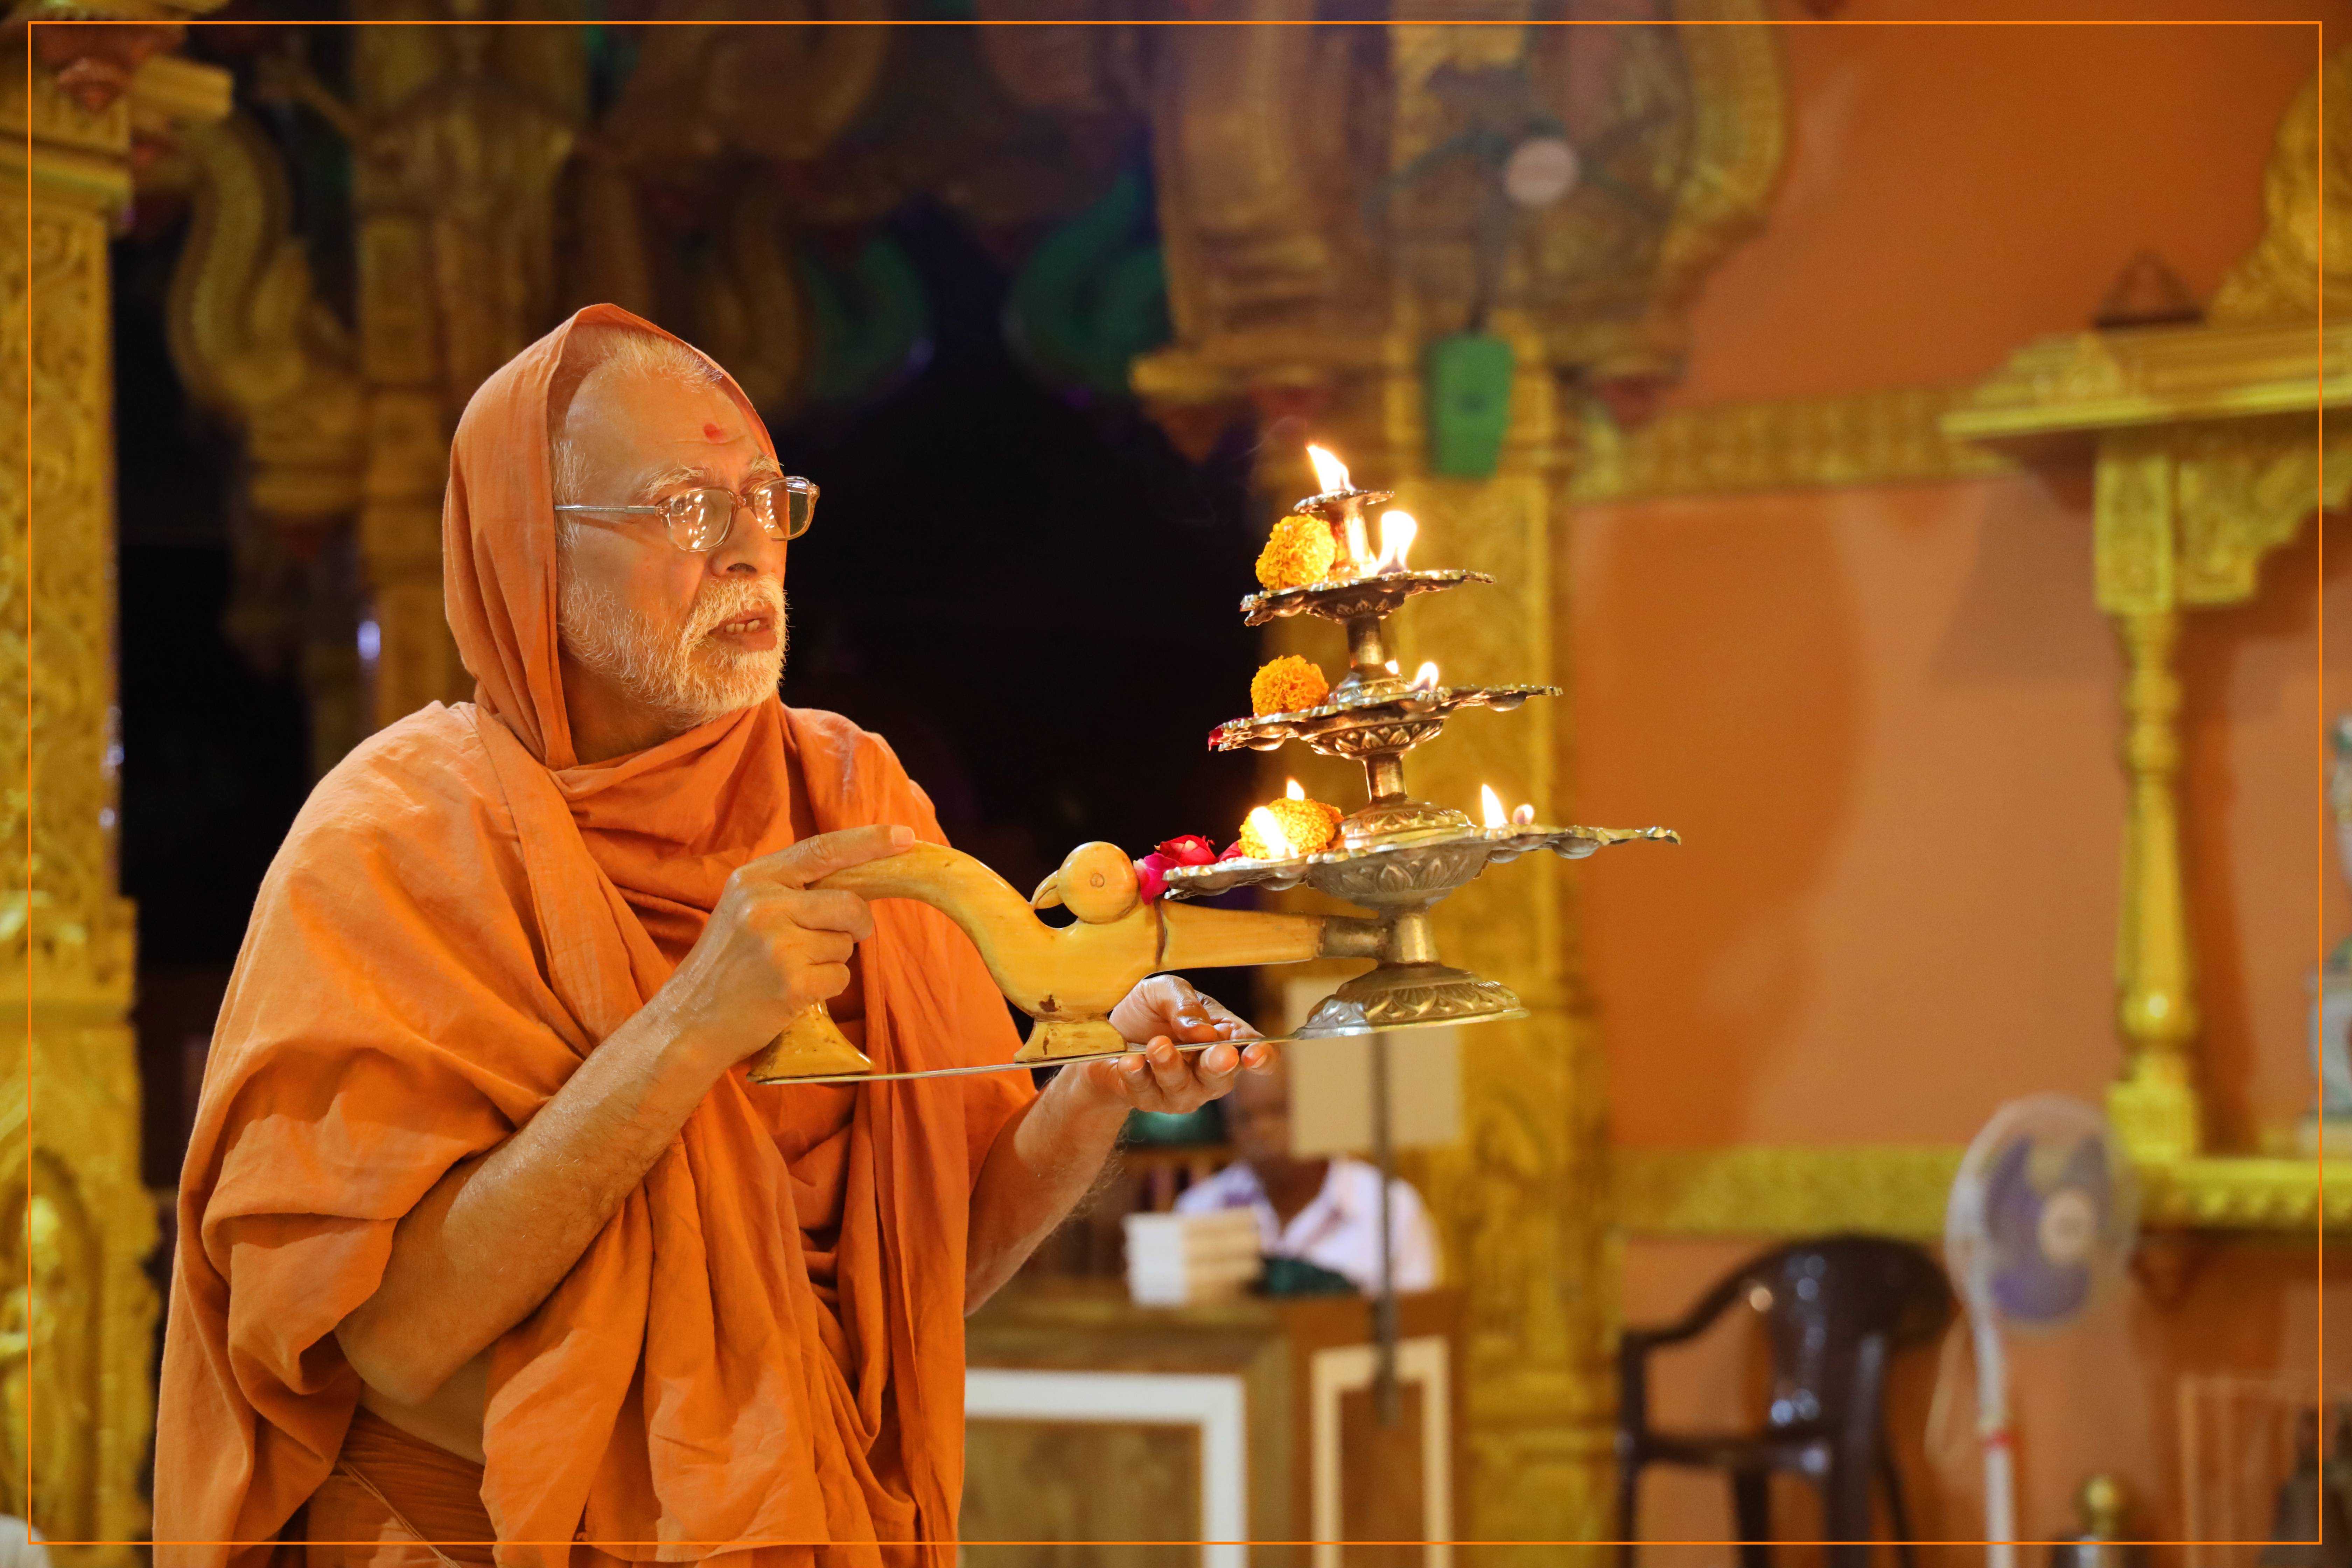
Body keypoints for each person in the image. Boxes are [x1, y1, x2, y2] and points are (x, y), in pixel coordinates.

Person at [154, 304, 1270, 1568]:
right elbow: (397, 1338)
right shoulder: (398, 839)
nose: (747, 549)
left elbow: (926, 1279)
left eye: (765, 500)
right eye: (686, 508)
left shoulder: (847, 796)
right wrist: (691, 1024)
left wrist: (1093, 1092)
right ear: (532, 549)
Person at [1173, 1057, 1437, 1294]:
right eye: (1244, 1118)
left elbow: (1420, 1322)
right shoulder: (1200, 1210)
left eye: (1278, 1111)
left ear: (1317, 1114)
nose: (1261, 1129)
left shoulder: (1389, 1207)